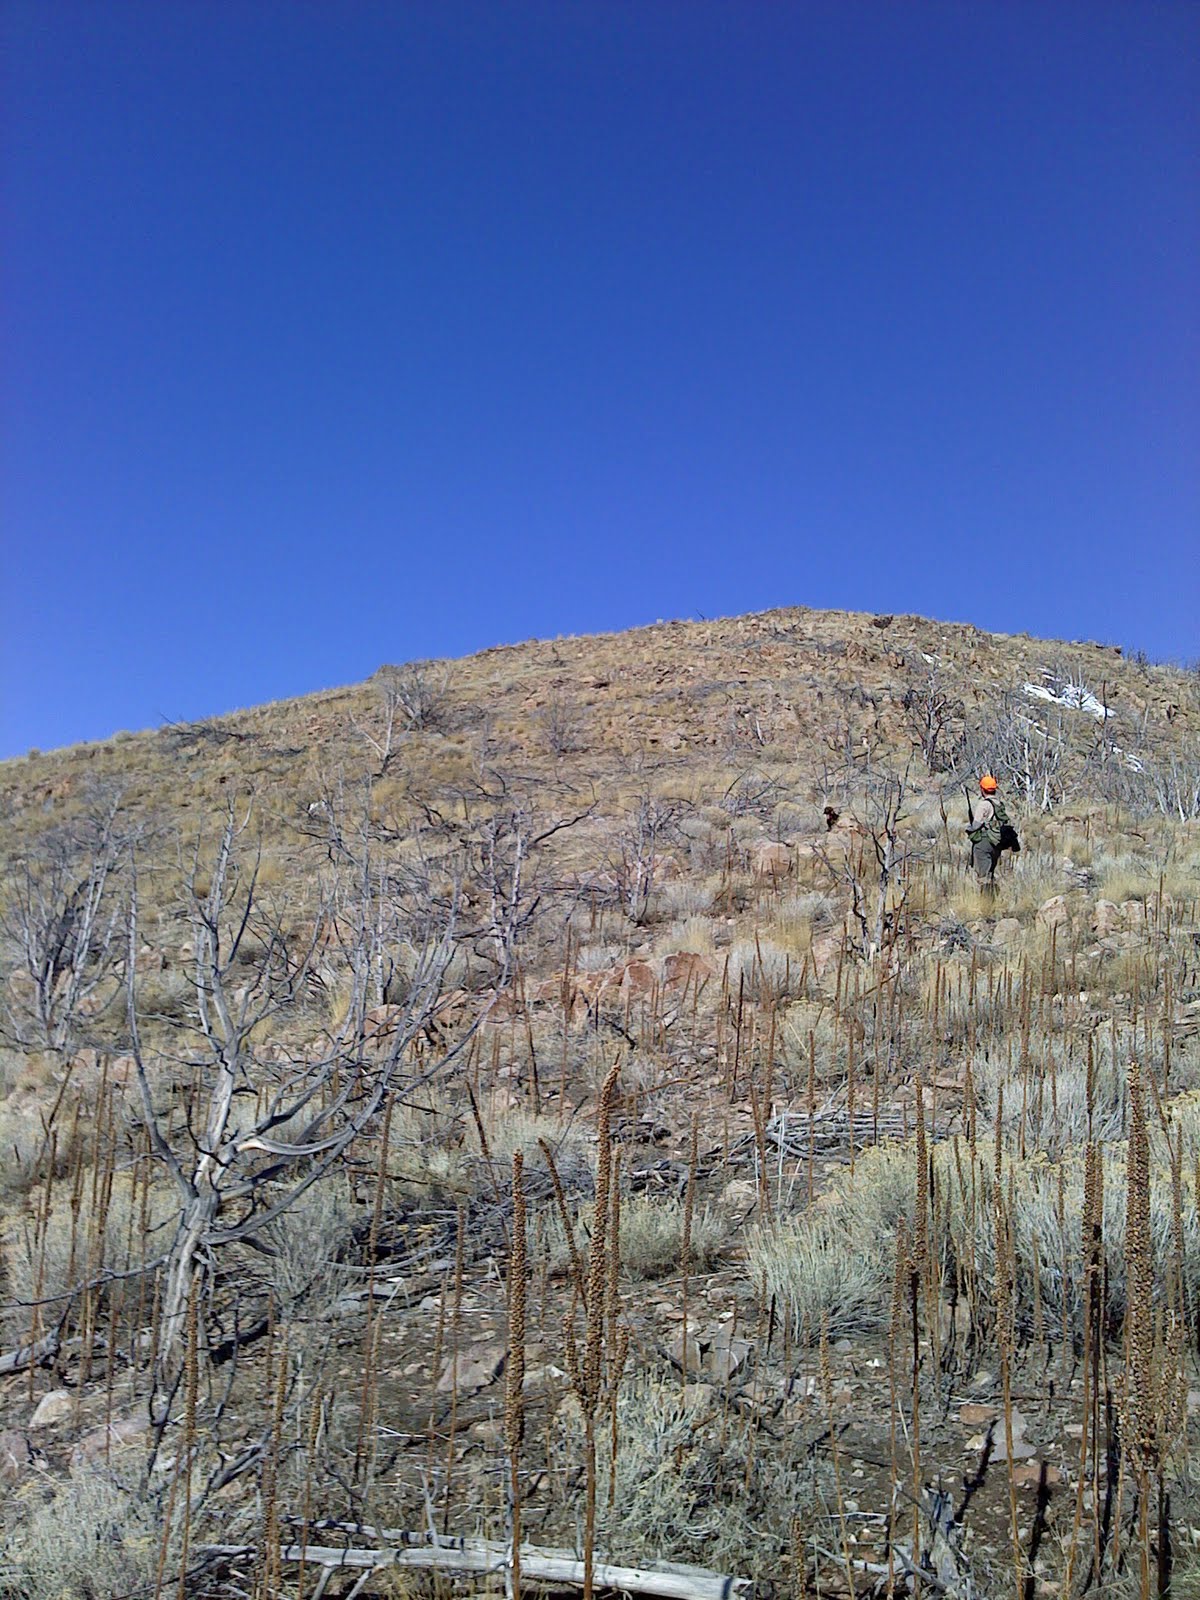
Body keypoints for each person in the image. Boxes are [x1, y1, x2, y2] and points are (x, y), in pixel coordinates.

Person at [965, 774, 1017, 895]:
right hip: (997, 842)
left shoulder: (984, 804)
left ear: (982, 789)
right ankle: (991, 896)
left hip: (984, 842)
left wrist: (969, 827)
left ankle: (986, 901)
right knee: (991, 872)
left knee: (983, 875)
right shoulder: (999, 803)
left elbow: (976, 825)